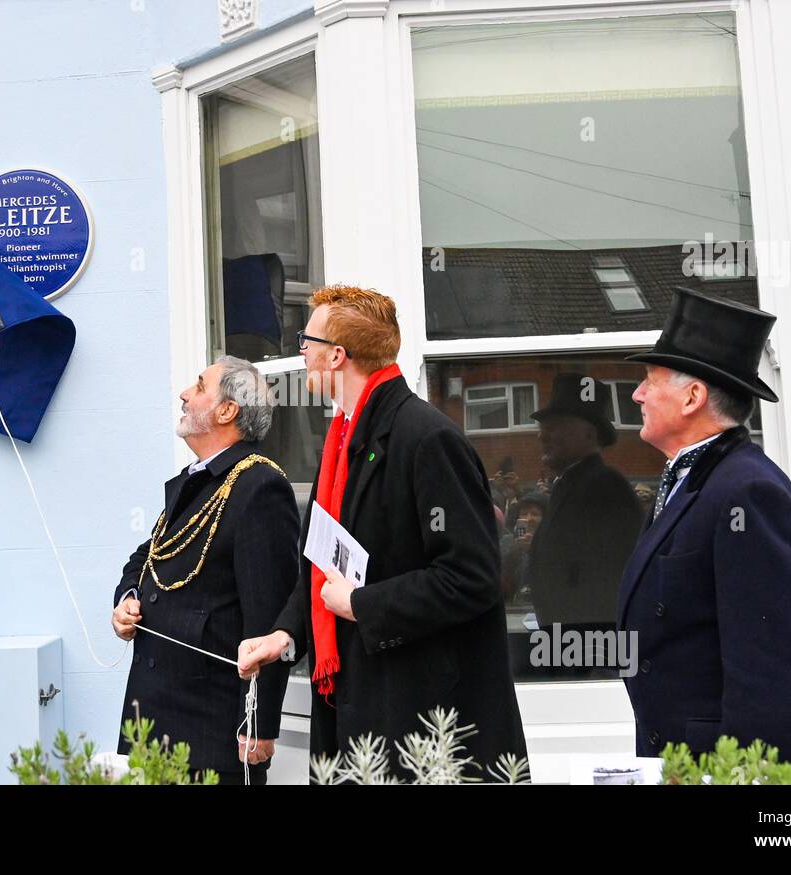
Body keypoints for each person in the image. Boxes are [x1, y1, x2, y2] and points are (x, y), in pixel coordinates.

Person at [236, 285, 527, 779]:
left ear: (337, 356)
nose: (300, 352)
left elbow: (472, 577)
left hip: (425, 722)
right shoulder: (343, 437)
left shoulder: (426, 438)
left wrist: (363, 604)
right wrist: (284, 632)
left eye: (307, 341)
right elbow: (324, 562)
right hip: (362, 707)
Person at [618, 287, 791, 770]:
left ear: (693, 396)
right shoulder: (695, 478)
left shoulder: (748, 493)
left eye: (650, 381)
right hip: (682, 762)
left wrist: (748, 781)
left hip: (728, 769)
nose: (638, 394)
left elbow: (770, 671)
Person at [111, 356, 299, 785]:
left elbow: (269, 616)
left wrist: (260, 725)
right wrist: (127, 600)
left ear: (227, 410)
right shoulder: (197, 480)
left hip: (209, 732)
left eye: (198, 386)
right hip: (152, 720)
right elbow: (149, 555)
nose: (184, 394)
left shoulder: (259, 486)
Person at [524, 374, 643, 662]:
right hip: (568, 654)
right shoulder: (570, 485)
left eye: (554, 427)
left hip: (590, 660)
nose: (543, 436)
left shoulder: (604, 487)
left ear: (589, 434)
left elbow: (607, 586)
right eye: (543, 427)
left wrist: (592, 664)